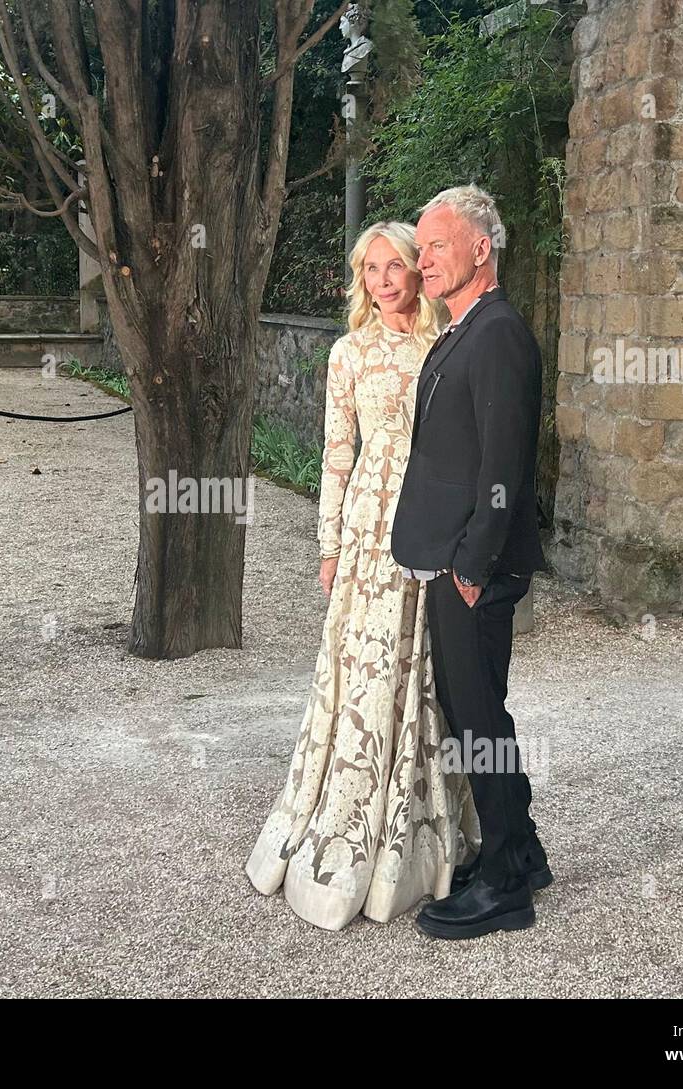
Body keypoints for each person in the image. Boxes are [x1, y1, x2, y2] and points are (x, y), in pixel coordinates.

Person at [245, 221, 480, 931]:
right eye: (371, 268)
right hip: (371, 527)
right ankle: (351, 827)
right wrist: (329, 545)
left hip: (433, 517)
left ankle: (424, 840)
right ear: (362, 278)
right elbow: (334, 454)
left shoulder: (445, 344)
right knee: (365, 671)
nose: (383, 279)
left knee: (427, 672)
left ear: (416, 272)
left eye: (396, 265)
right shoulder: (347, 354)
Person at [391, 184, 549, 940]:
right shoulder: (465, 328)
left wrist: (472, 563)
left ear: (481, 248)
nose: (425, 261)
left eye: (438, 246)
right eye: (420, 249)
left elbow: (505, 461)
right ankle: (521, 847)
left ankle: (506, 885)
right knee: (475, 711)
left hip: (472, 566)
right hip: (455, 558)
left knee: (477, 716)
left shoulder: (499, 334)